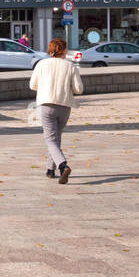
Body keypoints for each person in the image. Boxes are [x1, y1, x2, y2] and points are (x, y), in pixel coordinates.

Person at [29, 37, 83, 184]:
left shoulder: (41, 64)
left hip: (46, 104)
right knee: (56, 137)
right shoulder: (70, 66)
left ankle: (63, 165)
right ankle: (50, 169)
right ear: (64, 50)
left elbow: (32, 85)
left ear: (50, 49)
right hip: (64, 105)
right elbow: (79, 89)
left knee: (50, 139)